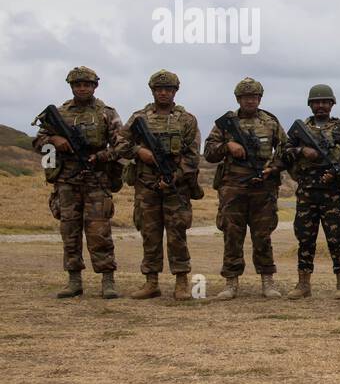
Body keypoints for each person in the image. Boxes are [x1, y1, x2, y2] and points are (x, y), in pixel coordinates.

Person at [33, 65, 126, 298]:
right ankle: (74, 280)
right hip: (66, 180)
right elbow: (38, 143)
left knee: (99, 231)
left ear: (95, 86)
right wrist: (55, 139)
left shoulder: (107, 112)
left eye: (87, 84)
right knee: (69, 231)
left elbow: (122, 144)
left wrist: (101, 156)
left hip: (96, 179)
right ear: (71, 87)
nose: (82, 88)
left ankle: (107, 281)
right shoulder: (60, 113)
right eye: (77, 85)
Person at [203, 77, 287, 300]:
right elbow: (209, 152)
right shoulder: (226, 124)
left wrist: (273, 168)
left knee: (263, 235)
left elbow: (286, 151)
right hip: (233, 188)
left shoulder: (271, 122)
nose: (250, 101)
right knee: (232, 234)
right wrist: (227, 145)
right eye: (245, 97)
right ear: (238, 99)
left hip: (263, 187)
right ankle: (231, 283)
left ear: (259, 98)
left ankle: (267, 282)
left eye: (254, 97)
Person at [121, 70, 201, 300]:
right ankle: (151, 282)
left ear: (175, 92)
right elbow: (119, 141)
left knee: (177, 234)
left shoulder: (186, 120)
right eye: (159, 89)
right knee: (149, 233)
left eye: (168, 89)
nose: (163, 93)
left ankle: (182, 282)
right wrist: (139, 151)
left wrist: (175, 176)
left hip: (176, 186)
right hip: (146, 185)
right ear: (153, 91)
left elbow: (193, 155)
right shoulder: (139, 118)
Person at [284, 84, 340, 300]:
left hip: (331, 193)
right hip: (306, 191)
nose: (321, 106)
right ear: (310, 105)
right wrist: (302, 150)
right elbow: (285, 153)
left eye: (325, 102)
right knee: (305, 238)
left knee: (336, 237)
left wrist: (336, 174)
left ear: (332, 104)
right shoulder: (300, 129)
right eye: (317, 102)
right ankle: (303, 283)